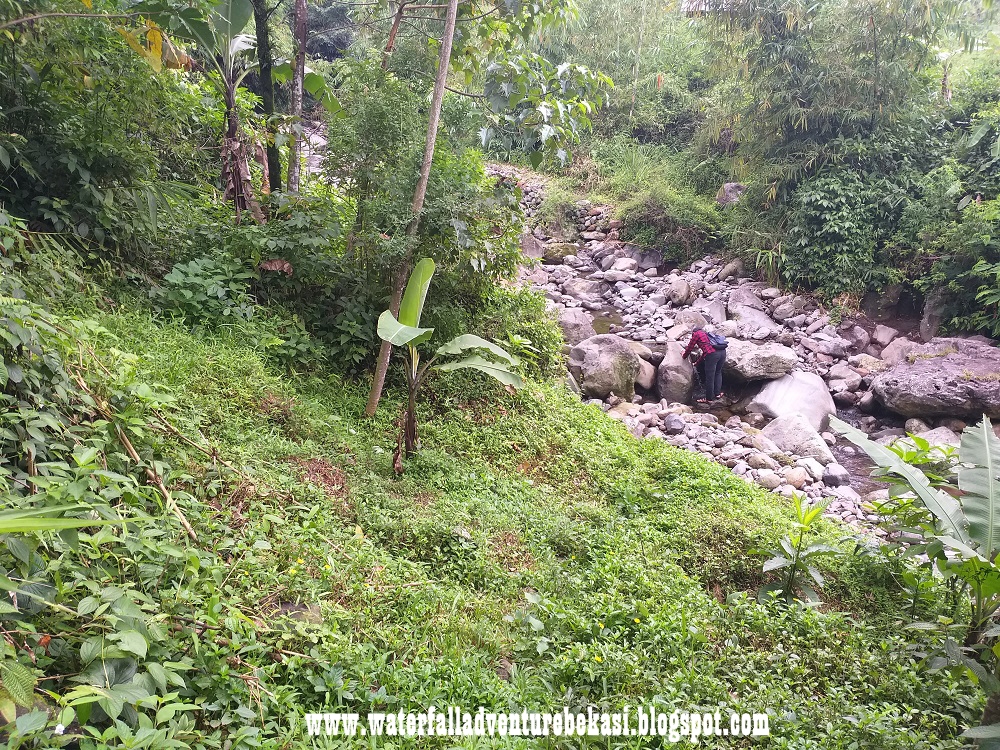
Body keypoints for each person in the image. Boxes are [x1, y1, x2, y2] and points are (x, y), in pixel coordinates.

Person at [682, 327, 726, 403]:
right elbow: (705, 353)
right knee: (718, 372)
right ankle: (717, 394)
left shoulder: (696, 334)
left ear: (693, 332)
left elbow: (690, 347)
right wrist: (697, 362)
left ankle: (709, 399)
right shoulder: (707, 334)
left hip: (713, 355)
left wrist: (684, 356)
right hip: (722, 352)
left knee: (710, 377)